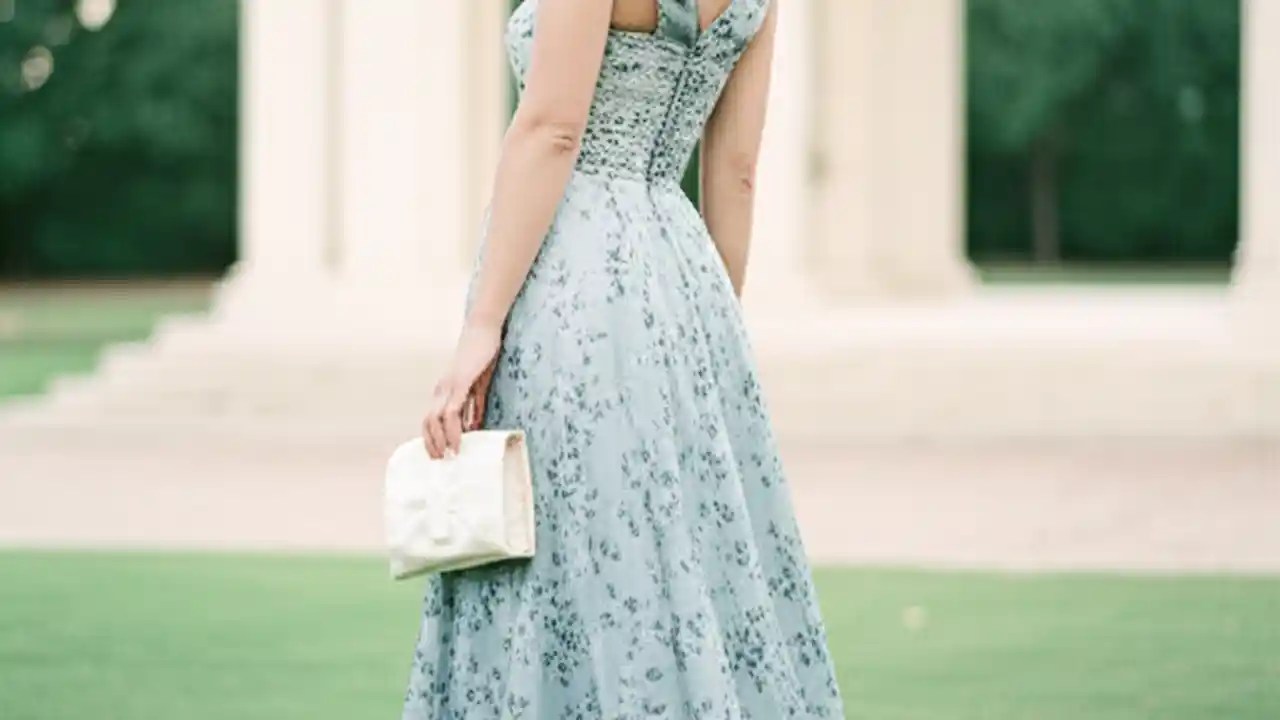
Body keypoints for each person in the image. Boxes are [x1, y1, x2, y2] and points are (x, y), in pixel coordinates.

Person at [407, 0, 845, 716]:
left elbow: (552, 128)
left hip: (573, 274)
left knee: (552, 550)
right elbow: (734, 173)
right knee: (675, 552)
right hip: (681, 272)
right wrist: (708, 333)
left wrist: (481, 325)